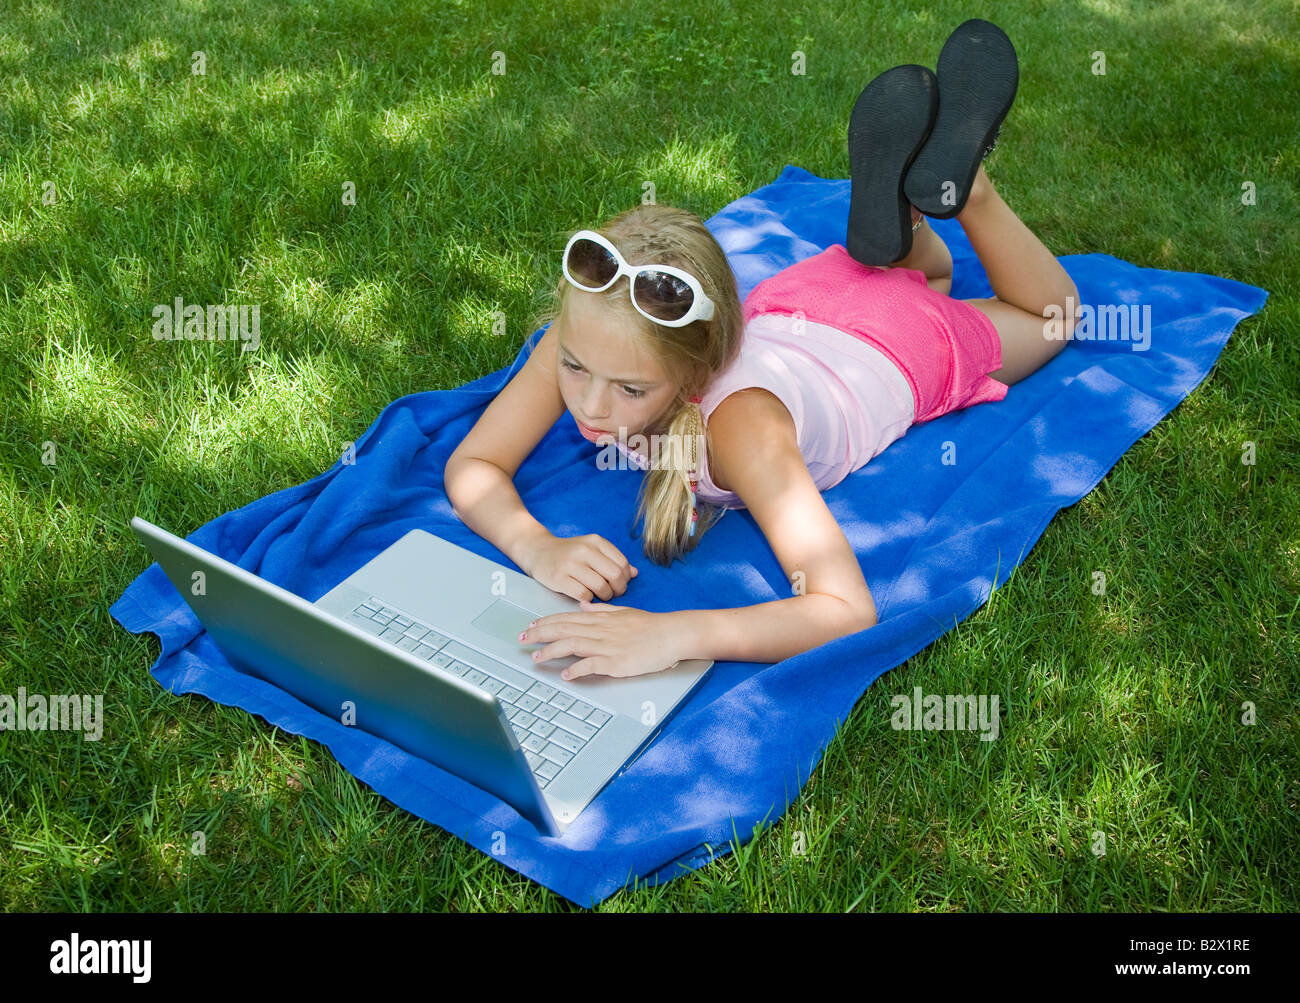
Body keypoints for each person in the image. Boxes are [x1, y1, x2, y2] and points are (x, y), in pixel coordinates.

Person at [444, 19, 1079, 681]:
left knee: (1051, 316)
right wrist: (536, 547)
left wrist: (674, 635)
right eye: (573, 368)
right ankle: (902, 220)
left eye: (631, 390)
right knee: (934, 277)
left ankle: (966, 191)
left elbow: (843, 608)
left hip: (891, 343)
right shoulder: (596, 331)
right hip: (810, 300)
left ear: (697, 366)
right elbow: (475, 466)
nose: (592, 405)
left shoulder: (743, 428)